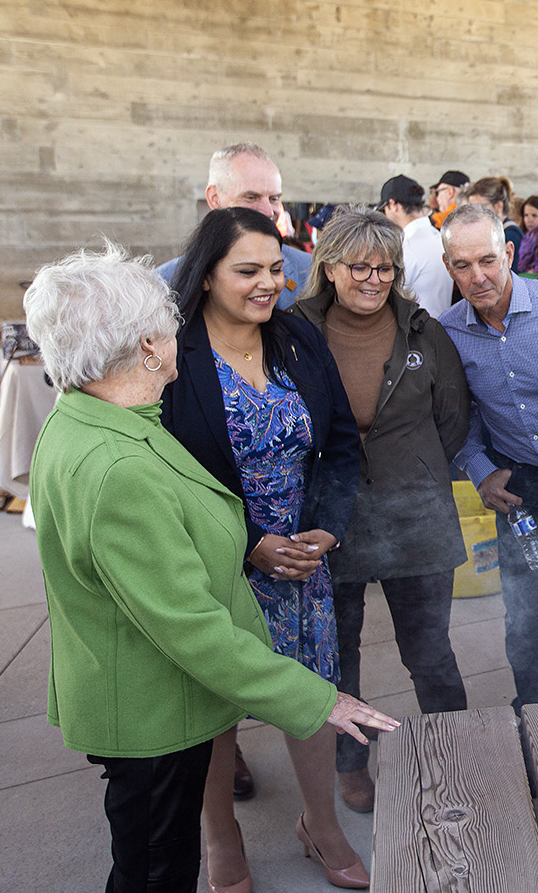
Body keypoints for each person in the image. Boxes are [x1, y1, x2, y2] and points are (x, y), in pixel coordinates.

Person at [24, 244, 395, 893]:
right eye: (170, 328)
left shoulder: (94, 421)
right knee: (154, 869)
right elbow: (188, 626)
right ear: (145, 347)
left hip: (139, 698)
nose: (183, 340)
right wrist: (318, 698)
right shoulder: (119, 469)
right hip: (148, 716)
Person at [161, 208, 368, 891]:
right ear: (207, 274)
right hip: (216, 561)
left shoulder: (299, 340)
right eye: (247, 271)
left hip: (303, 562)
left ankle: (321, 822)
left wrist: (327, 529)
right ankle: (221, 835)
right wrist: (251, 545)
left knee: (308, 697)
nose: (267, 285)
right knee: (217, 705)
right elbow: (167, 472)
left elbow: (340, 445)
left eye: (276, 270)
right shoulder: (171, 353)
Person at [291, 207, 471, 813]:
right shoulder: (295, 333)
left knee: (429, 651)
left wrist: (412, 472)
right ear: (330, 268)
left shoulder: (424, 330)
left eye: (386, 267)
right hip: (329, 519)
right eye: (359, 266)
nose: (374, 278)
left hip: (415, 514)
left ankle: (452, 751)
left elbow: (452, 417)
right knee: (337, 654)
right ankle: (352, 764)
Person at [438, 203, 538, 714]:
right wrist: (481, 472)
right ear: (448, 268)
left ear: (509, 253)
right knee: (526, 611)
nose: (477, 276)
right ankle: (533, 708)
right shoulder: (449, 332)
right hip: (520, 492)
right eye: (462, 266)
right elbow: (452, 418)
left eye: (487, 260)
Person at [156, 143, 312, 309]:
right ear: (214, 198)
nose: (268, 212)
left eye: (274, 199)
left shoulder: (309, 270)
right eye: (251, 197)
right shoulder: (163, 286)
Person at [380, 173, 453, 319]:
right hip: (441, 330)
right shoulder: (440, 237)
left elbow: (387, 298)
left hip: (416, 334)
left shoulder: (407, 246)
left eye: (384, 209)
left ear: (393, 205)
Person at [464, 176, 522, 250]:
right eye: (472, 208)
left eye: (481, 207)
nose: (475, 213)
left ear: (498, 206)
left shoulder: (511, 235)